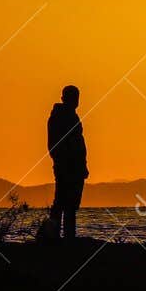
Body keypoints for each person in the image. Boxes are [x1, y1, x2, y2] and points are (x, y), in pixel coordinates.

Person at [46, 84, 88, 240]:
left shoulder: (72, 117)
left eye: (77, 97)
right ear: (65, 98)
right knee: (62, 202)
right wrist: (64, 162)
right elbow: (54, 145)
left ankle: (67, 236)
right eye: (74, 97)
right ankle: (55, 236)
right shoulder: (59, 118)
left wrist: (82, 164)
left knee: (70, 204)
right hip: (66, 167)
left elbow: (78, 143)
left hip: (75, 167)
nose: (76, 101)